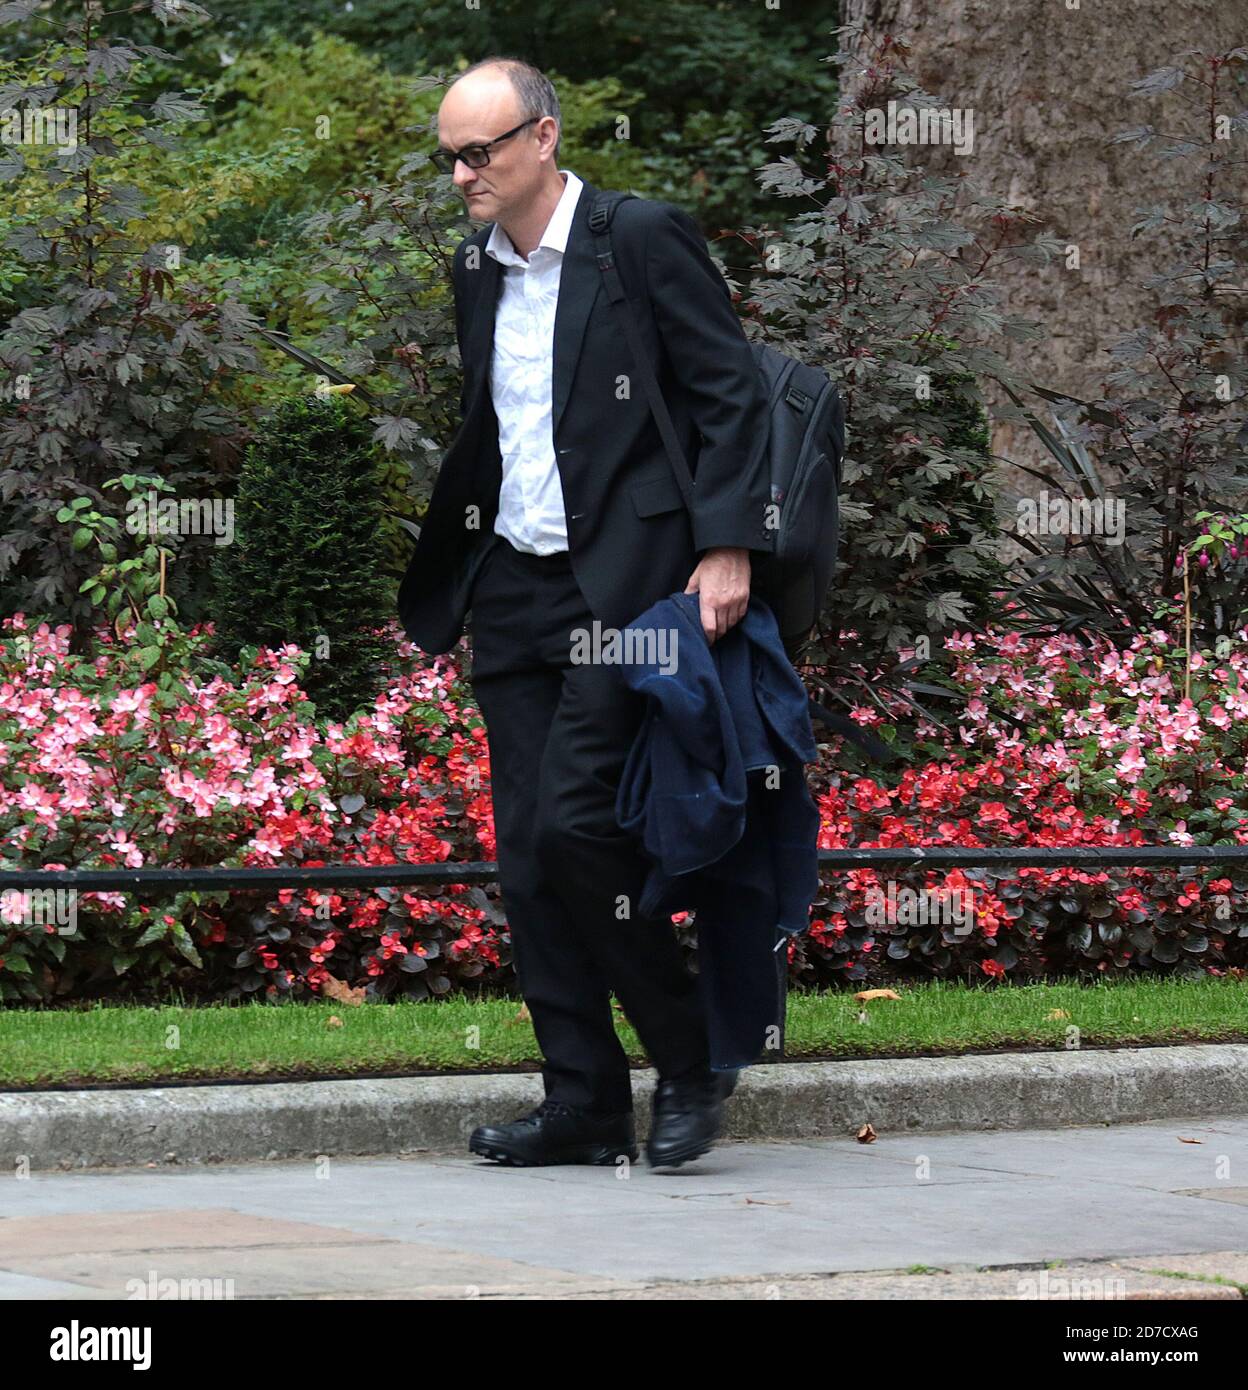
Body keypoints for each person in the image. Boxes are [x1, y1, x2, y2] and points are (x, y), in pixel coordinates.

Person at [397, 55, 773, 1169]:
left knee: (575, 825)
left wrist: (726, 546)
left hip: (633, 582)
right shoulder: (475, 263)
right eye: (450, 156)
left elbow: (728, 392)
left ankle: (692, 1057)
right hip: (513, 585)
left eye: (481, 152)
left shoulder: (638, 237)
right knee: (525, 858)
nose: (462, 173)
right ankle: (583, 1100)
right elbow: (497, 422)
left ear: (544, 137)